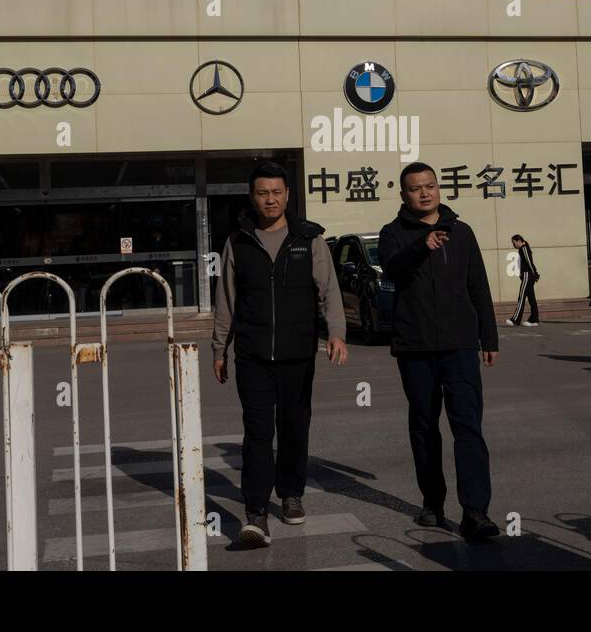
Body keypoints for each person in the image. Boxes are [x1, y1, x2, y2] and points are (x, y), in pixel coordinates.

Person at [211, 161, 348, 548]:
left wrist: (336, 333)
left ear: (287, 195)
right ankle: (255, 511)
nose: (269, 199)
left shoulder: (310, 238)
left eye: (276, 192)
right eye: (262, 193)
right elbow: (227, 300)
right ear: (252, 197)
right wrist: (219, 348)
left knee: (293, 428)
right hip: (252, 356)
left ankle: (291, 494)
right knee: (257, 433)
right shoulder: (238, 240)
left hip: (298, 355)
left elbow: (329, 290)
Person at [378, 162, 501, 542]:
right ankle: (432, 502)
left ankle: (476, 512)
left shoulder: (461, 233)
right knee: (424, 426)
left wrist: (489, 337)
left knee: (467, 426)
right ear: (404, 196)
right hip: (414, 345)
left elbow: (477, 285)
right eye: (416, 188)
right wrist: (422, 244)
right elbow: (392, 270)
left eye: (430, 186)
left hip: (460, 345)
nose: (425, 193)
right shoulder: (392, 233)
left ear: (439, 188)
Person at [505, 234, 540, 327]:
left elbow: (529, 261)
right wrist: (534, 274)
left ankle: (515, 320)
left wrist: (535, 273)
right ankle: (534, 319)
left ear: (518, 241)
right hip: (528, 275)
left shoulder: (523, 248)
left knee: (521, 297)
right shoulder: (525, 247)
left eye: (514, 243)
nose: (513, 245)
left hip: (527, 275)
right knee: (531, 298)